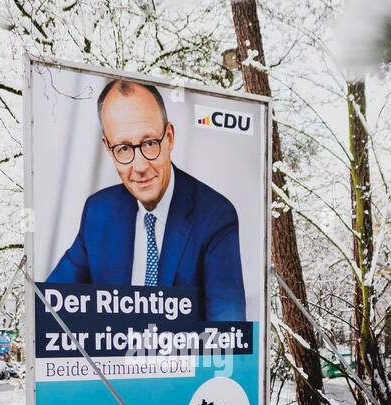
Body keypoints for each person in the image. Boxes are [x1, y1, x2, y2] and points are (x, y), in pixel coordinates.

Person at [46, 77, 246, 321]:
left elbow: (230, 335)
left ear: (169, 137)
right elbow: (52, 305)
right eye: (123, 149)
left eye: (150, 143)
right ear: (108, 149)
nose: (139, 166)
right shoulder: (98, 212)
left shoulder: (215, 215)